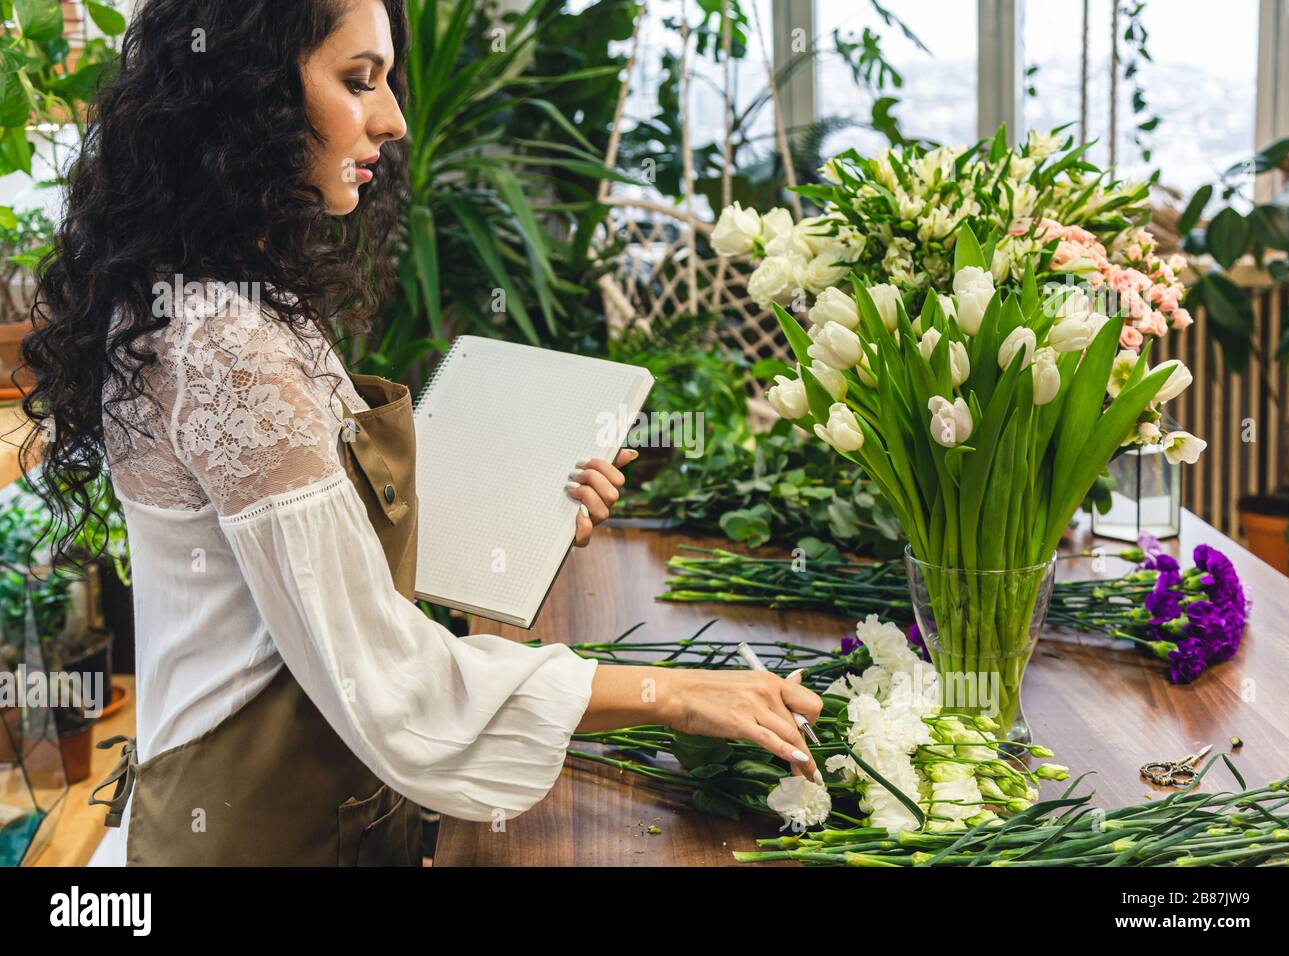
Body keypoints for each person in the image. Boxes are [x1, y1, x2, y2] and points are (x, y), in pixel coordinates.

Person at [19, 0, 822, 866]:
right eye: (359, 80)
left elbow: (312, 561)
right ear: (246, 91)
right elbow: (391, 681)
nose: (395, 118)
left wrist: (523, 516)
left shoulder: (207, 292)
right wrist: (674, 694)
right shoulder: (225, 345)